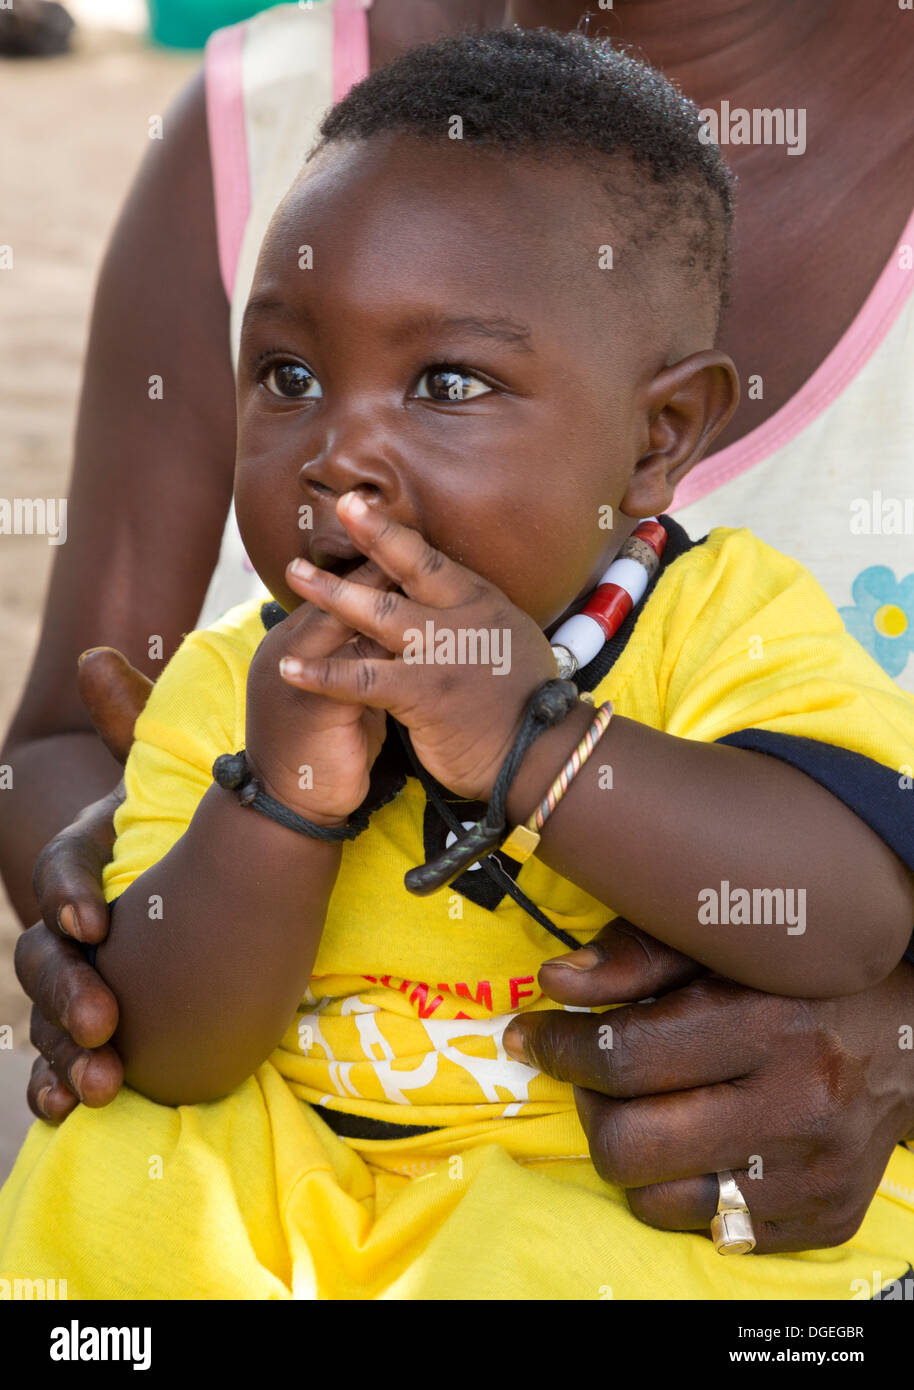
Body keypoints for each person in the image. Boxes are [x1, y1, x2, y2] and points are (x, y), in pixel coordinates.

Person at [2, 29, 913, 1299]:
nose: (337, 456)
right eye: (288, 375)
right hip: (308, 1183)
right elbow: (168, 1051)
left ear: (658, 437)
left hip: (584, 1183)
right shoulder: (237, 682)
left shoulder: (727, 625)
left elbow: (850, 918)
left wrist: (534, 743)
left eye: (444, 381)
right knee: (112, 1180)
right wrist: (274, 803)